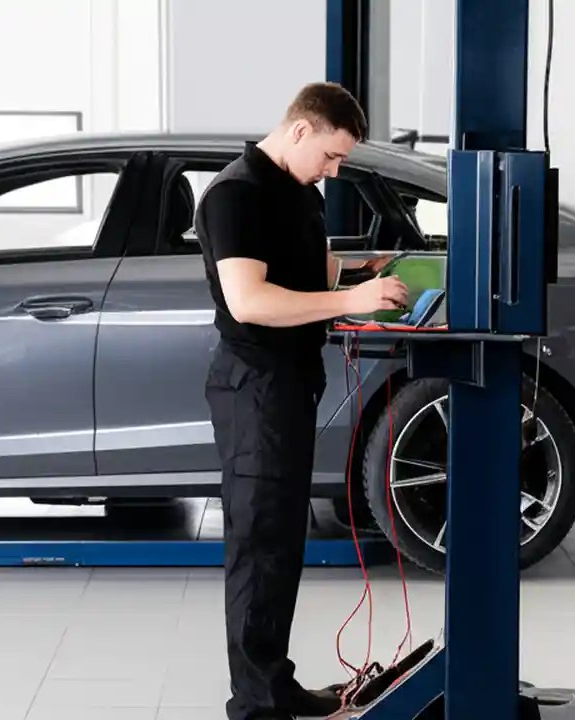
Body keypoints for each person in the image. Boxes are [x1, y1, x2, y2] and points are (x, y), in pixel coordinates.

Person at [195, 82, 409, 720]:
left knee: (282, 545)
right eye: (332, 156)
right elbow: (251, 300)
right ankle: (256, 707)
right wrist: (349, 303)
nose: (335, 170)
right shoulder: (236, 194)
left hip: (289, 385)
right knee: (259, 546)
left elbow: (305, 273)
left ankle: (274, 686)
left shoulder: (299, 192)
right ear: (299, 131)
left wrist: (361, 274)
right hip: (254, 387)